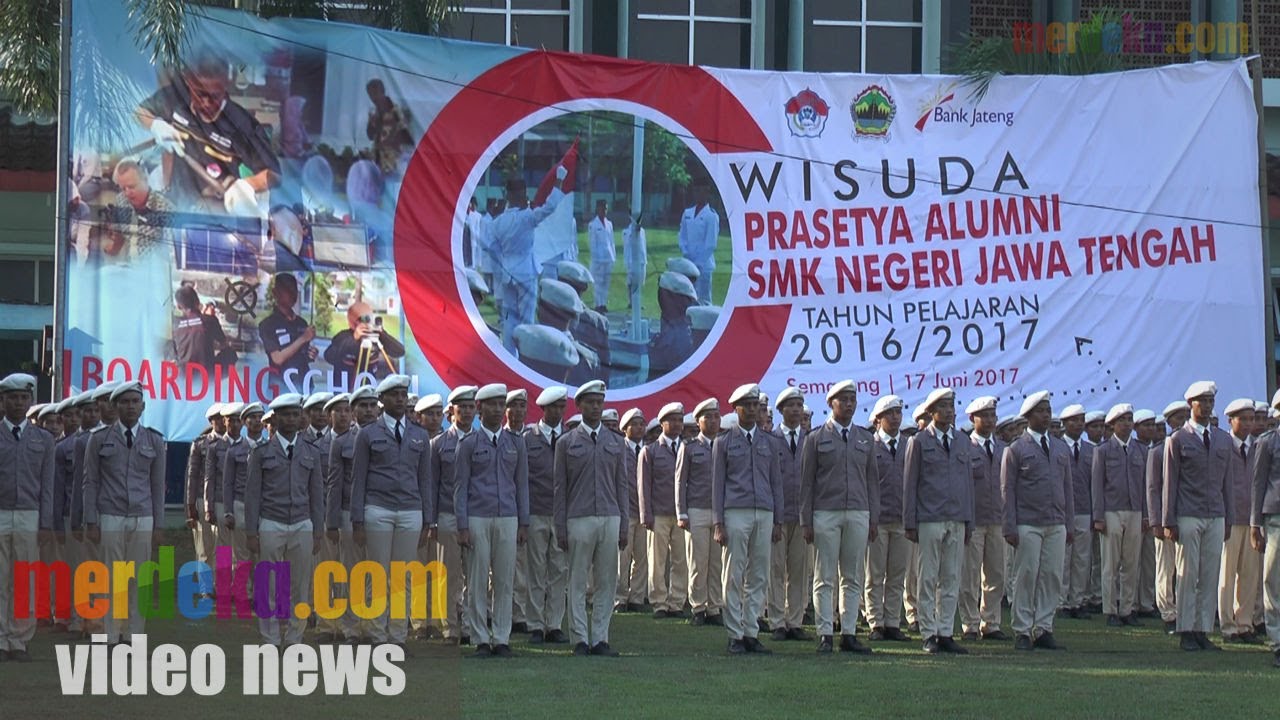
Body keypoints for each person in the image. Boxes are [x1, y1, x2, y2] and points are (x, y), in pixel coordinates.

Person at [136, 51, 280, 215]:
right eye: (200, 94)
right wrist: (155, 125)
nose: (206, 103)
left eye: (214, 96)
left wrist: (247, 185)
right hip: (176, 201)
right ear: (189, 81)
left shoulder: (243, 125)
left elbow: (274, 174)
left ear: (227, 83)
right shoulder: (176, 98)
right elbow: (140, 112)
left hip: (215, 208)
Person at [351, 374, 432, 651]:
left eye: (403, 394)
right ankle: (376, 636)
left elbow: (425, 481)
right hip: (377, 510)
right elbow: (358, 478)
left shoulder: (420, 434)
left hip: (411, 511)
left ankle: (397, 637)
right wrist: (357, 520)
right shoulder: (367, 433)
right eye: (394, 394)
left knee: (403, 576)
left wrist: (428, 521)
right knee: (377, 573)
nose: (400, 398)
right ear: (382, 400)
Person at [83, 381, 165, 645]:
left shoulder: (154, 439)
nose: (130, 406)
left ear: (143, 407)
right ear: (116, 406)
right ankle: (110, 637)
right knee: (111, 578)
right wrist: (91, 520)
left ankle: (133, 637)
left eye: (135, 401)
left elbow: (157, 485)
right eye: (125, 402)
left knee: (138, 580)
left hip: (143, 516)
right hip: (111, 515)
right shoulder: (99, 439)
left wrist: (159, 525)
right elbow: (90, 481)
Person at [801, 379, 879, 654]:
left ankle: (848, 632)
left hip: (858, 511)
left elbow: (872, 481)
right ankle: (824, 632)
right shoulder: (816, 438)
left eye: (852, 399)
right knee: (824, 576)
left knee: (853, 576)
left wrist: (873, 517)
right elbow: (807, 483)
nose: (848, 404)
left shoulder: (865, 439)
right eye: (843, 399)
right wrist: (806, 521)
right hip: (825, 512)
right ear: (830, 403)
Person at [553, 380, 629, 656]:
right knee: (577, 581)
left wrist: (624, 524)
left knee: (607, 580)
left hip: (610, 516)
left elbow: (622, 485)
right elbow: (560, 489)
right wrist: (560, 526)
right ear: (580, 405)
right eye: (590, 402)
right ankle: (580, 639)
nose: (596, 407)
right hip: (578, 518)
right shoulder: (566, 443)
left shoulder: (616, 442)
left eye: (600, 402)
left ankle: (600, 637)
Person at [455, 383, 529, 658]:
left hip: (508, 517)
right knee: (476, 581)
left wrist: (523, 522)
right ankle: (480, 638)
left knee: (504, 580)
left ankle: (501, 637)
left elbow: (522, 485)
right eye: (492, 404)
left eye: (501, 404)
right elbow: (460, 487)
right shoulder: (468, 444)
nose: (498, 410)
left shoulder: (515, 442)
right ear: (479, 408)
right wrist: (462, 525)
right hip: (477, 517)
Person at [244, 393, 323, 647]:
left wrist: (318, 529)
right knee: (269, 585)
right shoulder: (261, 452)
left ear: (301, 417)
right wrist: (251, 531)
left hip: (302, 523)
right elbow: (252, 494)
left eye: (295, 414)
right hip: (271, 522)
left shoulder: (311, 451)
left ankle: (294, 639)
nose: (291, 419)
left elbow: (317, 493)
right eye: (286, 414)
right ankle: (270, 639)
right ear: (275, 418)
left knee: (300, 585)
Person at [903, 387, 976, 655]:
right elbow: (910, 484)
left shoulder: (962, 441)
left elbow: (968, 483)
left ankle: (945, 631)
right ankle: (928, 633)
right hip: (930, 518)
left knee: (951, 577)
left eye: (951, 405)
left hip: (956, 517)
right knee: (927, 577)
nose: (949, 411)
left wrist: (969, 520)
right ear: (931, 411)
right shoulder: (920, 441)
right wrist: (909, 521)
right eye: (943, 406)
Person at [713, 384, 784, 655]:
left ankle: (751, 630)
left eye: (756, 405)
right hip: (735, 512)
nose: (754, 410)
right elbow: (718, 485)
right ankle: (735, 634)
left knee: (759, 575)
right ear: (736, 408)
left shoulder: (768, 442)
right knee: (733, 574)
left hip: (764, 512)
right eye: (748, 405)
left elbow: (776, 483)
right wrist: (719, 523)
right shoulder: (724, 442)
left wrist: (777, 520)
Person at [1002, 391, 1073, 651]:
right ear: (1029, 416)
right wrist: (1009, 525)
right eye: (1041, 411)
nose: (1047, 415)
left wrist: (1069, 522)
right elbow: (1007, 491)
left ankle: (1043, 627)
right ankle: (1021, 629)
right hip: (1027, 522)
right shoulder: (1017, 449)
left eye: (1048, 410)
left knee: (1052, 575)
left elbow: (1068, 489)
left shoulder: (1059, 447)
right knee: (1026, 576)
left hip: (1055, 521)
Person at [1164, 381, 1232, 651]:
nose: (1206, 405)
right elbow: (1170, 482)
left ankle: (1203, 629)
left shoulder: (1222, 439)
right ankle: (1186, 630)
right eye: (1201, 401)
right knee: (1188, 573)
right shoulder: (1178, 439)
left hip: (1215, 513)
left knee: (1210, 574)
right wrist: (1168, 520)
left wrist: (1228, 516)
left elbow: (1227, 482)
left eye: (1210, 401)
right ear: (1190, 404)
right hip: (1188, 513)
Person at [0, 374, 55, 661]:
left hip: (29, 515)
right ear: (3, 401)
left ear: (31, 401)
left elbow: (48, 485)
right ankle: (1, 638)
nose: (18, 403)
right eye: (12, 397)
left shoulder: (43, 439)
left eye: (23, 398)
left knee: (23, 578)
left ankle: (19, 639)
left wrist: (46, 522)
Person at [490, 167, 569, 352]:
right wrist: (559, 180)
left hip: (507, 274)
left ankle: (510, 356)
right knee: (527, 321)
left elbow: (493, 250)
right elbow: (550, 207)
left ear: (508, 195)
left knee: (509, 318)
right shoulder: (526, 218)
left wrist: (500, 272)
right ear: (522, 193)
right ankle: (527, 360)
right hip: (525, 273)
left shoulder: (497, 222)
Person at [325, 387, 378, 643]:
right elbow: (334, 484)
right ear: (354, 411)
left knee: (376, 573)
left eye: (372, 405)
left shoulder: (387, 438)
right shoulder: (342, 441)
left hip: (379, 512)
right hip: (347, 514)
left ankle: (371, 625)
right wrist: (332, 522)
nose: (369, 410)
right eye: (363, 406)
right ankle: (351, 629)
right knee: (349, 572)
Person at [428, 385, 478, 644]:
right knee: (448, 576)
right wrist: (433, 521)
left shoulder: (481, 441)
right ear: (452, 411)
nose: (468, 412)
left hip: (476, 516)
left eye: (471, 407)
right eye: (463, 407)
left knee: (475, 576)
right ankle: (450, 628)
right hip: (447, 515)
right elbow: (432, 485)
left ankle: (470, 627)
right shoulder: (438, 444)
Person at [1092, 404, 1148, 627]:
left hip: (1135, 510)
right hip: (1111, 510)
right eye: (1122, 420)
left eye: (1129, 419)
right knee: (1110, 564)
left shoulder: (1140, 450)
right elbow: (1096, 485)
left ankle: (1127, 609)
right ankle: (1110, 610)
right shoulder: (1103, 450)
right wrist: (1098, 516)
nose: (1126, 423)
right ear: (1112, 425)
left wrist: (1146, 514)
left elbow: (1145, 485)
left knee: (1131, 563)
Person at [960, 395, 1009, 642]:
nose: (990, 420)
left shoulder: (1002, 449)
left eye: (993, 415)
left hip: (997, 519)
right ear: (972, 419)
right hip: (974, 520)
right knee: (969, 576)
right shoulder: (966, 448)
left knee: (996, 574)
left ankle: (991, 622)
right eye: (985, 416)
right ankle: (969, 623)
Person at [524, 387, 569, 644]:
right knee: (535, 570)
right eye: (554, 407)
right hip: (536, 511)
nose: (558, 412)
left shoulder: (570, 438)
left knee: (559, 570)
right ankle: (535, 625)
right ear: (543, 408)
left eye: (562, 407)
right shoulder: (529, 438)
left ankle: (554, 624)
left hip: (561, 514)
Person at [864, 394, 910, 643]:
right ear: (878, 419)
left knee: (897, 575)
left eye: (898, 413)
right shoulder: (870, 445)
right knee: (874, 574)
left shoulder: (908, 445)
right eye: (890, 414)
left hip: (901, 518)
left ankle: (892, 622)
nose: (895, 418)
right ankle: (875, 622)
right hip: (878, 520)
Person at [638, 402, 688, 619]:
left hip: (682, 515)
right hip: (658, 513)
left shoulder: (688, 448)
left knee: (680, 560)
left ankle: (677, 602)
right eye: (673, 420)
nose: (677, 424)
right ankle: (659, 602)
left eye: (680, 420)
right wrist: (645, 514)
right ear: (662, 423)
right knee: (657, 560)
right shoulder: (650, 450)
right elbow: (644, 486)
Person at [676, 398, 723, 627]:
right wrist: (681, 512)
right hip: (696, 510)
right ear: (698, 421)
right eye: (708, 417)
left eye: (716, 416)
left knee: (717, 563)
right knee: (697, 562)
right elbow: (680, 481)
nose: (713, 421)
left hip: (720, 512)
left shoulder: (724, 444)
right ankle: (698, 607)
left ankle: (715, 607)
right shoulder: (689, 446)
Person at [769, 387, 810, 641]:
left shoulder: (810, 439)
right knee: (775, 570)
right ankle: (776, 622)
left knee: (799, 571)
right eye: (791, 405)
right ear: (781, 410)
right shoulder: (771, 440)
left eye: (799, 405)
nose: (796, 409)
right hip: (778, 516)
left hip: (802, 516)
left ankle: (795, 621)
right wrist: (773, 517)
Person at [1220, 398, 1260, 642]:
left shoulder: (1258, 446)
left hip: (1252, 518)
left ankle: (1245, 624)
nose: (1247, 424)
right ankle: (1227, 626)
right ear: (1230, 420)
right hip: (1230, 517)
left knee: (1249, 574)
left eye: (1251, 419)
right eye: (1242, 419)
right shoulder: (1223, 445)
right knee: (1226, 573)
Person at [1251, 389, 1280, 666]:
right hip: (1275, 518)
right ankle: (1277, 641)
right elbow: (1258, 484)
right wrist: (1254, 524)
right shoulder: (1268, 442)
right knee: (1273, 581)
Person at [1057, 404, 1094, 620]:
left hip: (1084, 510)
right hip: (1062, 512)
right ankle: (1060, 602)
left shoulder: (1090, 450)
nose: (1078, 424)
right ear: (1064, 424)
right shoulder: (1057, 446)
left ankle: (1077, 602)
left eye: (1081, 420)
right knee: (1063, 559)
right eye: (1073, 421)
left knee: (1082, 559)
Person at [223, 402, 265, 587]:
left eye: (259, 417)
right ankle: (243, 593)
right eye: (252, 418)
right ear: (244, 422)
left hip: (265, 507)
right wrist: (228, 511)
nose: (257, 421)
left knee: (263, 553)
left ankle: (260, 591)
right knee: (241, 553)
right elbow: (227, 483)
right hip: (240, 504)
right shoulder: (234, 450)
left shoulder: (270, 448)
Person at [323, 302, 407, 390]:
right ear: (354, 321)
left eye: (369, 318)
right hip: (345, 389)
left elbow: (400, 351)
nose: (367, 322)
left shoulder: (375, 336)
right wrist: (354, 339)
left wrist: (382, 334)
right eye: (363, 319)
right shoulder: (344, 336)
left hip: (368, 388)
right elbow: (329, 356)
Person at [185, 404, 222, 597]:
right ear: (211, 421)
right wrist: (190, 506)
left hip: (223, 499)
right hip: (201, 499)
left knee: (223, 548)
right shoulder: (200, 444)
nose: (222, 421)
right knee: (204, 546)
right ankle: (206, 588)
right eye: (217, 418)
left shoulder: (232, 444)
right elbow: (191, 476)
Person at [615, 408, 648, 613]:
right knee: (622, 559)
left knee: (642, 558)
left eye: (641, 423)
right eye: (634, 424)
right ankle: (620, 598)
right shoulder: (619, 449)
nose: (639, 427)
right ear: (625, 428)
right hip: (624, 512)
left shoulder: (648, 450)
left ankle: (637, 598)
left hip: (644, 513)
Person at [109, 160, 174, 259]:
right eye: (123, 188)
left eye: (131, 187)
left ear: (145, 180)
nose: (127, 193)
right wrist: (114, 249)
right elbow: (118, 231)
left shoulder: (165, 209)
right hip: (128, 267)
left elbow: (172, 254)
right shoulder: (120, 200)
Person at [257, 273, 316, 377]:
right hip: (280, 385)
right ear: (275, 293)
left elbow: (303, 355)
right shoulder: (268, 325)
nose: (292, 294)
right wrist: (303, 338)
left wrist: (311, 354)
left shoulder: (302, 323)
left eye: (294, 290)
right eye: (287, 290)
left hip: (303, 383)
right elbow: (277, 359)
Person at [677, 182, 720, 304]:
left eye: (702, 191)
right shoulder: (687, 213)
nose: (698, 194)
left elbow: (711, 244)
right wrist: (686, 253)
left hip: (704, 265)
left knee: (704, 299)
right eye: (696, 191)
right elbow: (682, 235)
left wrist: (698, 262)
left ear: (707, 193)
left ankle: (707, 323)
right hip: (689, 262)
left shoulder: (711, 216)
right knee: (689, 296)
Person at [365, 79, 413, 176]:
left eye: (375, 92)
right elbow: (370, 136)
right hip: (378, 163)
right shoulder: (374, 112)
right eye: (370, 94)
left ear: (382, 91)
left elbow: (407, 138)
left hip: (394, 163)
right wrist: (372, 122)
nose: (373, 97)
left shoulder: (395, 111)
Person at [622, 215, 647, 309]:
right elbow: (627, 244)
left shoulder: (643, 231)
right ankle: (631, 302)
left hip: (642, 259)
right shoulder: (626, 231)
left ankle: (638, 302)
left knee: (640, 282)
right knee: (631, 282)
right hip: (631, 260)